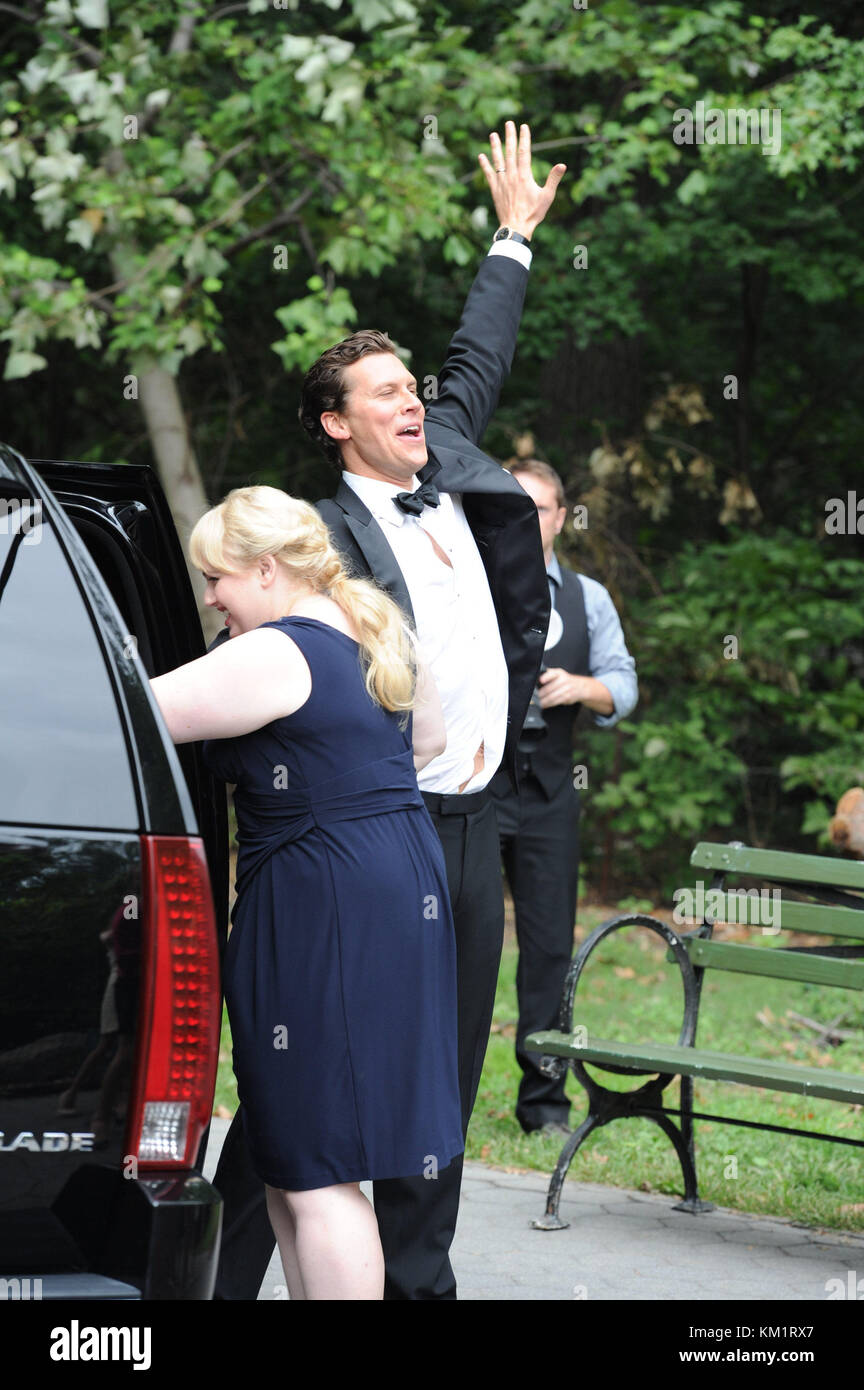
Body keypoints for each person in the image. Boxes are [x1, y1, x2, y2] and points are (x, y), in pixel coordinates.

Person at [211, 120, 564, 1301]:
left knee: (433, 1084)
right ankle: (203, 1276)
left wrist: (512, 239)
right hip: (367, 828)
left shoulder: (452, 455)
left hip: (476, 822)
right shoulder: (323, 538)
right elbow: (264, 653)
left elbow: (480, 353)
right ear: (334, 422)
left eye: (415, 387)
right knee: (303, 1075)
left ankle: (418, 1285)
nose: (413, 402)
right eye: (384, 392)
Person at [149, 485, 464, 1300]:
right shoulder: (370, 626)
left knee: (318, 1164)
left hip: (321, 897)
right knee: (298, 1157)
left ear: (264, 568)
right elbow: (426, 743)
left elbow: (124, 716)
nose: (210, 595)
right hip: (387, 876)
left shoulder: (272, 652)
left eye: (216, 577)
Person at [490, 458, 638, 1135]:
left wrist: (581, 687)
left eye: (539, 509)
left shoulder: (589, 598)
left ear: (559, 517)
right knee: (460, 944)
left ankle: (543, 1105)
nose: (527, 520)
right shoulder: (466, 586)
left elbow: (624, 686)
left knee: (549, 949)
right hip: (473, 789)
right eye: (511, 506)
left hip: (550, 796)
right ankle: (441, 1100)